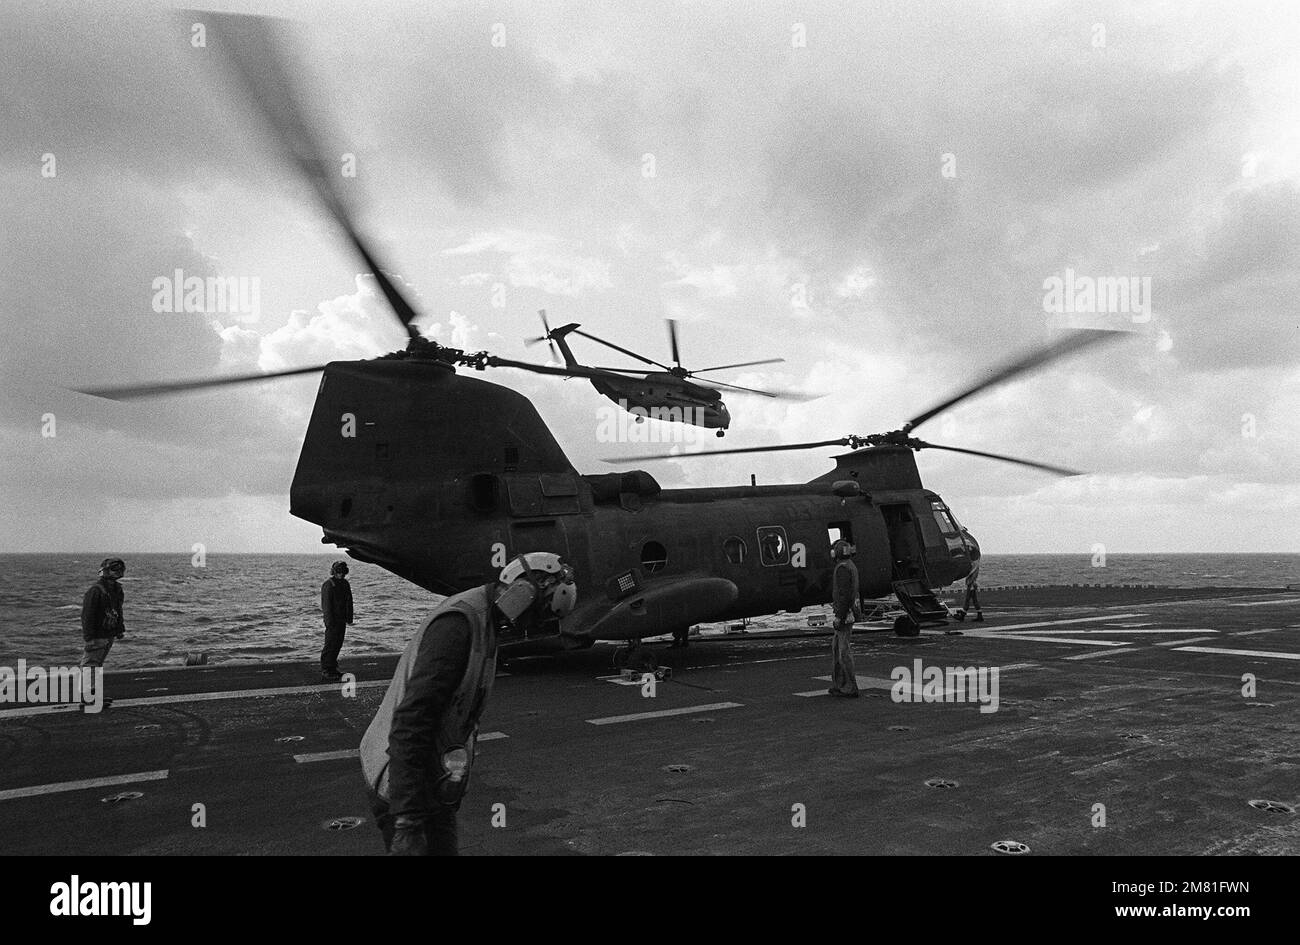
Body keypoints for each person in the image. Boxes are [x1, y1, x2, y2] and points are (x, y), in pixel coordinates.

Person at [360, 552, 577, 856]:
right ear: (525, 591)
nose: (533, 624)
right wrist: (407, 822)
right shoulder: (460, 624)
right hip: (401, 788)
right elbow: (410, 721)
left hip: (431, 784)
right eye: (538, 612)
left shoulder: (486, 622)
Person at [80, 558, 126, 708]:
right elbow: (87, 615)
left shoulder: (116, 589)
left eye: (119, 568)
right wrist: (89, 638)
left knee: (97, 665)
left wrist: (119, 629)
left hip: (108, 633)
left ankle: (93, 695)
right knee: (90, 664)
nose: (118, 571)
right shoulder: (96, 591)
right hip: (98, 635)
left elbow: (118, 610)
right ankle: (88, 697)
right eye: (115, 568)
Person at [828, 539, 862, 698]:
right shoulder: (851, 566)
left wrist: (839, 617)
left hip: (844, 613)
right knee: (837, 647)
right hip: (849, 611)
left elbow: (844, 595)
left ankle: (849, 686)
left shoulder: (842, 569)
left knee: (842, 652)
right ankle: (839, 684)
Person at [320, 560, 354, 681]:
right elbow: (326, 606)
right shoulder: (328, 585)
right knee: (330, 645)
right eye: (339, 572)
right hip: (333, 621)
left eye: (343, 572)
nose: (341, 574)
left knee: (337, 644)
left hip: (341, 620)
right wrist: (329, 623)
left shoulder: (345, 584)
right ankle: (326, 670)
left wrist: (349, 618)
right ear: (334, 572)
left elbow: (349, 601)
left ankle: (332, 668)